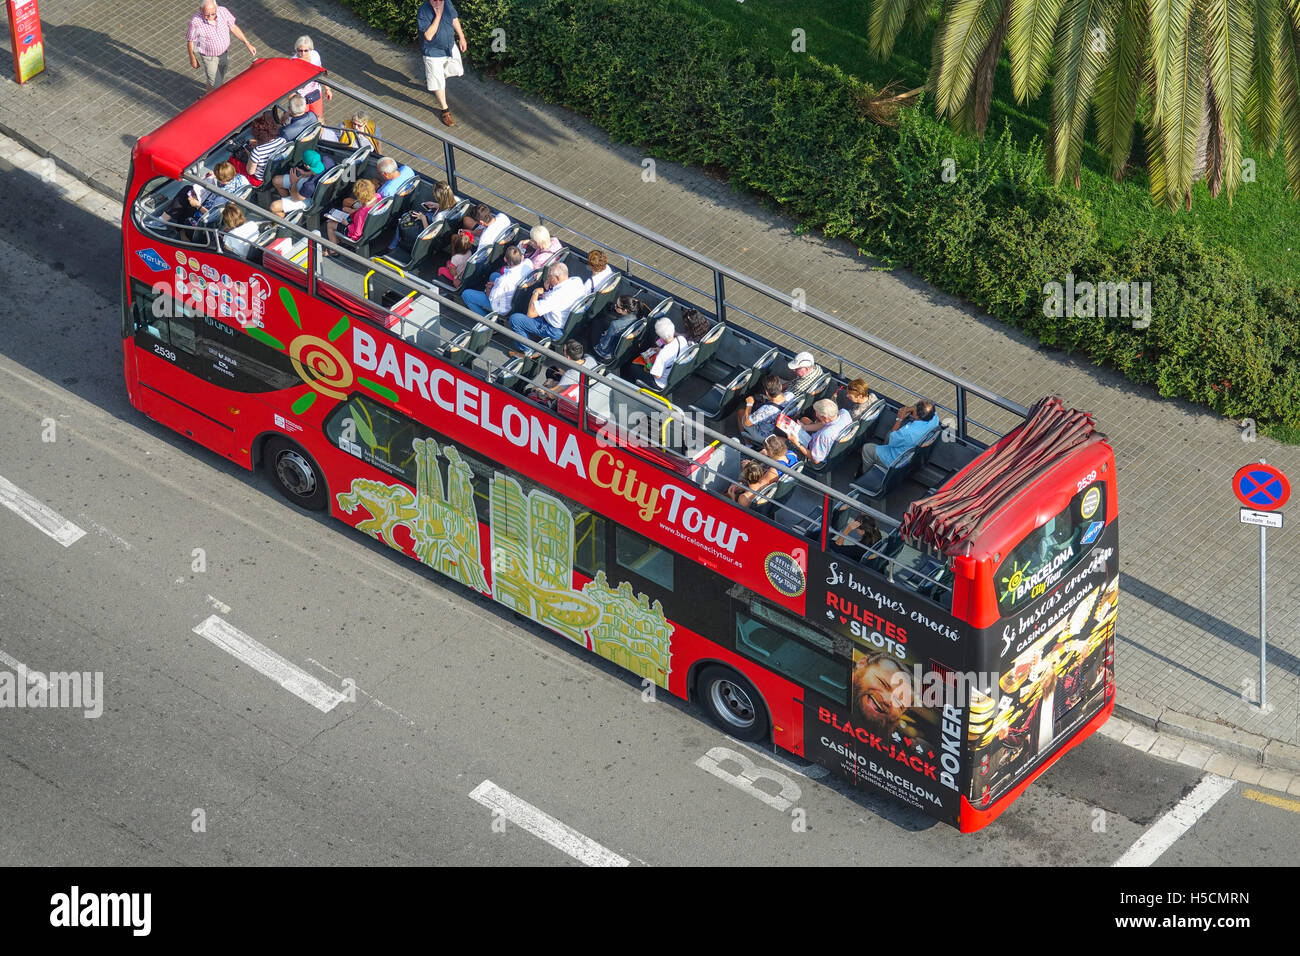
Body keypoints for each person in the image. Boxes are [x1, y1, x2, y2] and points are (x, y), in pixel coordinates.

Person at [417, 0, 468, 127]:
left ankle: (433, 78)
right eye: (435, 0)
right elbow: (428, 36)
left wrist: (461, 37)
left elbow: (454, 19)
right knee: (438, 82)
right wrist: (438, 16)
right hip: (433, 53)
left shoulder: (447, 3)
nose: (438, 2)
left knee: (457, 69)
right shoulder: (423, 11)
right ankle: (445, 110)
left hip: (450, 47)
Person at [508, 262, 586, 343]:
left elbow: (531, 314)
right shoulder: (577, 280)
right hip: (569, 327)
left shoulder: (555, 296)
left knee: (516, 319)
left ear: (557, 278)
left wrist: (536, 292)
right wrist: (547, 290)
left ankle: (527, 351)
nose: (547, 279)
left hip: (553, 330)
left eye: (549, 276)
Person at [186, 1, 256, 90]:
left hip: (223, 53)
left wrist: (248, 43)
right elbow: (190, 41)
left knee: (219, 75)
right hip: (209, 57)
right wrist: (192, 58)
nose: (210, 17)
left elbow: (233, 27)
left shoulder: (223, 11)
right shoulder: (195, 22)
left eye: (213, 14)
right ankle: (211, 100)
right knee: (217, 86)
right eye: (207, 15)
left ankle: (208, 93)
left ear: (216, 8)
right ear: (201, 10)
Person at [859, 399, 938, 475]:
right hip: (911, 454)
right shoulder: (934, 418)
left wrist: (899, 419)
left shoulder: (908, 433)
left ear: (916, 415)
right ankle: (877, 460)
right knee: (889, 434)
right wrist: (910, 409)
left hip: (895, 460)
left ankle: (864, 473)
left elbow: (891, 439)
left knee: (867, 448)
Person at [163, 160, 248, 223]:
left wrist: (197, 206)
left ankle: (164, 220)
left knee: (185, 193)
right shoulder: (242, 179)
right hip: (221, 205)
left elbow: (212, 216)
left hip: (202, 213)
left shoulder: (222, 198)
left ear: (220, 179)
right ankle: (168, 217)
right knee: (188, 190)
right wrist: (213, 177)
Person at [463, 246, 528, 316]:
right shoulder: (528, 263)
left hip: (502, 308)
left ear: (505, 259)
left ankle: (486, 321)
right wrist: (496, 283)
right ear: (522, 257)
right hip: (517, 297)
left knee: (466, 294)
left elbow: (492, 299)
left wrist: (487, 290)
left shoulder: (503, 281)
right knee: (494, 275)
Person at [786, 398, 852, 466]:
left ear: (825, 418)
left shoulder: (824, 435)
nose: (815, 414)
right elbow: (824, 424)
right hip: (836, 447)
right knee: (804, 420)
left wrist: (797, 443)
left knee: (783, 440)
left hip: (817, 455)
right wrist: (804, 427)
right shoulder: (844, 413)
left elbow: (816, 460)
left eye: (816, 412)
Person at [531, 339, 597, 403]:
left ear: (567, 357)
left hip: (569, 394)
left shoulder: (570, 375)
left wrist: (539, 388)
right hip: (584, 386)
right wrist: (564, 374)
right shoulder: (591, 359)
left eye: (563, 350)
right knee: (552, 370)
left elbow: (552, 395)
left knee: (530, 391)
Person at [324, 178, 379, 251]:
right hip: (373, 227)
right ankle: (337, 241)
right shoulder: (378, 196)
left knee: (330, 224)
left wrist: (346, 224)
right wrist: (353, 211)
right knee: (345, 209)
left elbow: (356, 234)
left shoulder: (362, 213)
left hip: (356, 232)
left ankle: (333, 251)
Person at [737, 373, 793, 442]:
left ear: (766, 392)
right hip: (779, 427)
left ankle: (748, 444)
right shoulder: (790, 395)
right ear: (780, 387)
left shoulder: (766, 410)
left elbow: (746, 423)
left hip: (763, 435)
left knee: (740, 412)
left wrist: (749, 404)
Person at [588, 295, 646, 361]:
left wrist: (604, 334)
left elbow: (603, 346)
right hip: (621, 347)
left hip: (605, 354)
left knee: (596, 323)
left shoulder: (615, 325)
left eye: (617, 306)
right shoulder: (638, 313)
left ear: (625, 310)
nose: (615, 306)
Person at [637, 317, 688, 392]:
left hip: (660, 384)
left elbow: (657, 375)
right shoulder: (681, 339)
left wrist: (648, 362)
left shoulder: (663, 354)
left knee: (633, 368)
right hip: (676, 377)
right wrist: (660, 350)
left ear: (660, 337)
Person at [236, 113, 287, 186]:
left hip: (261, 179)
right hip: (278, 170)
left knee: (234, 161)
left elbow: (250, 172)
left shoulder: (257, 152)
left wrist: (250, 153)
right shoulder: (282, 140)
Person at [292, 36, 332, 118]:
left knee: (318, 117)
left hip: (315, 92)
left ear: (310, 49)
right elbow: (290, 83)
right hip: (301, 97)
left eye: (306, 51)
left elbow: (321, 72)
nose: (303, 53)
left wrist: (327, 89)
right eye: (300, 50)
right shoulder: (293, 62)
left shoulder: (315, 55)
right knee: (303, 120)